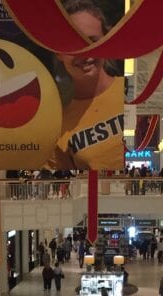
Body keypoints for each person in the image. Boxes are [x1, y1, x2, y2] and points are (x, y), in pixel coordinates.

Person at [47, 1, 125, 170]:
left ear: (106, 41)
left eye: (92, 42)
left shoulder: (133, 94)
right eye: (72, 45)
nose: (84, 53)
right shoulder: (57, 124)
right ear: (58, 53)